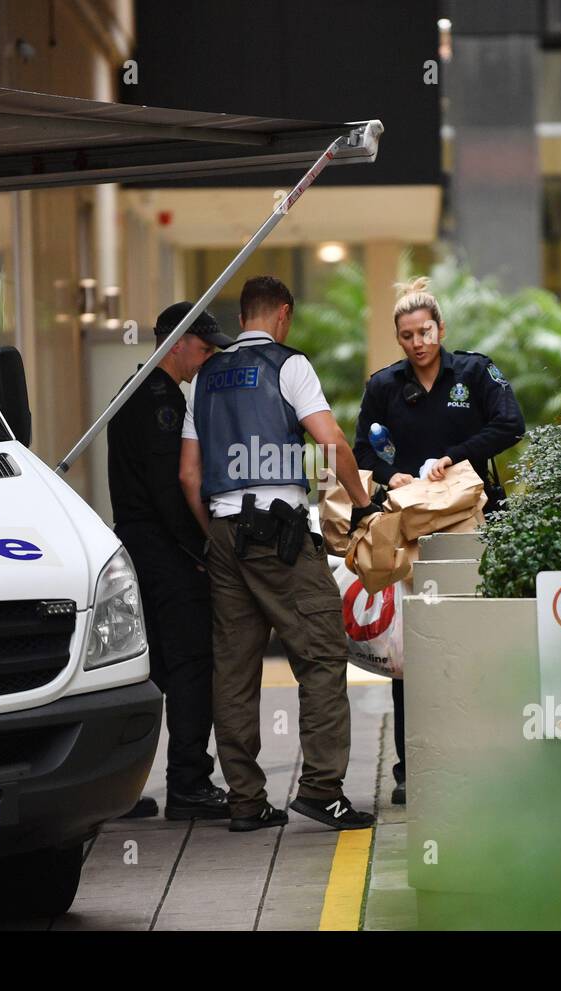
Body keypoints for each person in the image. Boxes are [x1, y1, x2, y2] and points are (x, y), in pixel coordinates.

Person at [179, 276, 380, 832]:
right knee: (320, 653)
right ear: (283, 315)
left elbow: (189, 475)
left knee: (234, 668)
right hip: (280, 536)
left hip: (223, 533)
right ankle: (321, 789)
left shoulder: (205, 379)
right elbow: (330, 440)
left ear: (242, 316)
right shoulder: (289, 366)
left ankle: (246, 800)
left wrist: (214, 530)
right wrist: (363, 504)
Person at [353, 277, 525, 805]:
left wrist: (457, 457)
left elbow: (511, 424)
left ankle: (481, 755)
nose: (417, 342)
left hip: (473, 520)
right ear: (398, 339)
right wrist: (393, 475)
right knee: (415, 650)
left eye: (425, 331)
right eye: (406, 336)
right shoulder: (384, 386)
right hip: (412, 533)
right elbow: (364, 448)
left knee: (474, 635)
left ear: (440, 328)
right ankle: (414, 767)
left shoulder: (474, 372)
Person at [107, 301, 234, 820]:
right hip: (164, 552)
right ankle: (189, 784)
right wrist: (201, 550)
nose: (205, 360)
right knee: (189, 666)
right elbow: (170, 490)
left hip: (138, 548)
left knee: (145, 669)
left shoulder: (133, 390)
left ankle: (118, 789)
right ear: (176, 342)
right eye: (203, 348)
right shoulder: (161, 401)